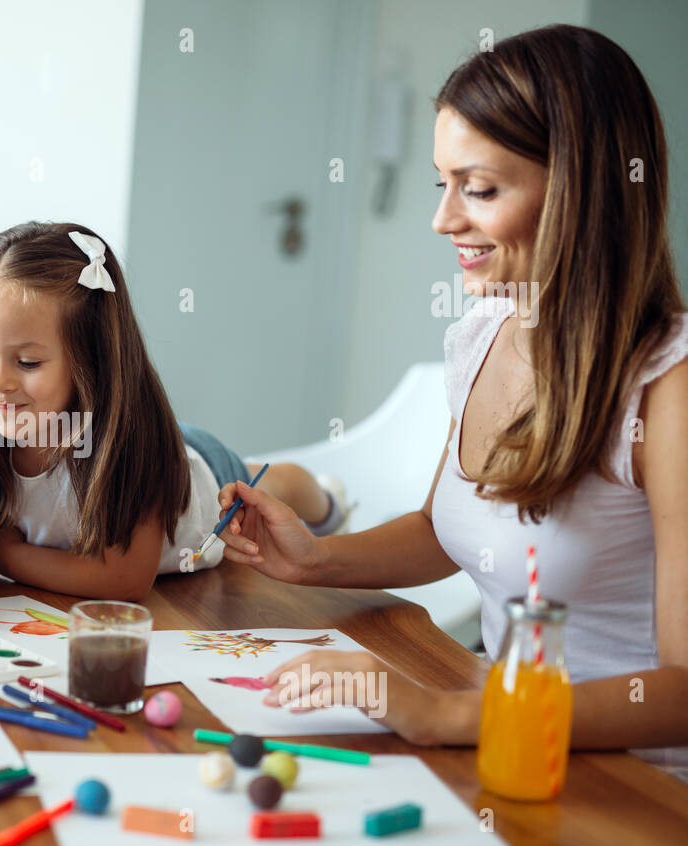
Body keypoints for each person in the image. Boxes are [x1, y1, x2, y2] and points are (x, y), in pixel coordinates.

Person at [216, 25, 688, 780]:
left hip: (638, 791)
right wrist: (316, 560)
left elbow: (683, 693)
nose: (444, 219)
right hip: (505, 751)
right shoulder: (486, 333)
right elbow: (448, 528)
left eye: (481, 189)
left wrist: (439, 713)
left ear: (580, 190)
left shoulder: (668, 387)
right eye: (444, 183)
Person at [0, 221, 344, 610]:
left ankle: (326, 498)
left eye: (27, 363)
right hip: (147, 437)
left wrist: (2, 554)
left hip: (201, 475)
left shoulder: (131, 451)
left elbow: (124, 579)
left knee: (271, 487)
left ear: (90, 360)